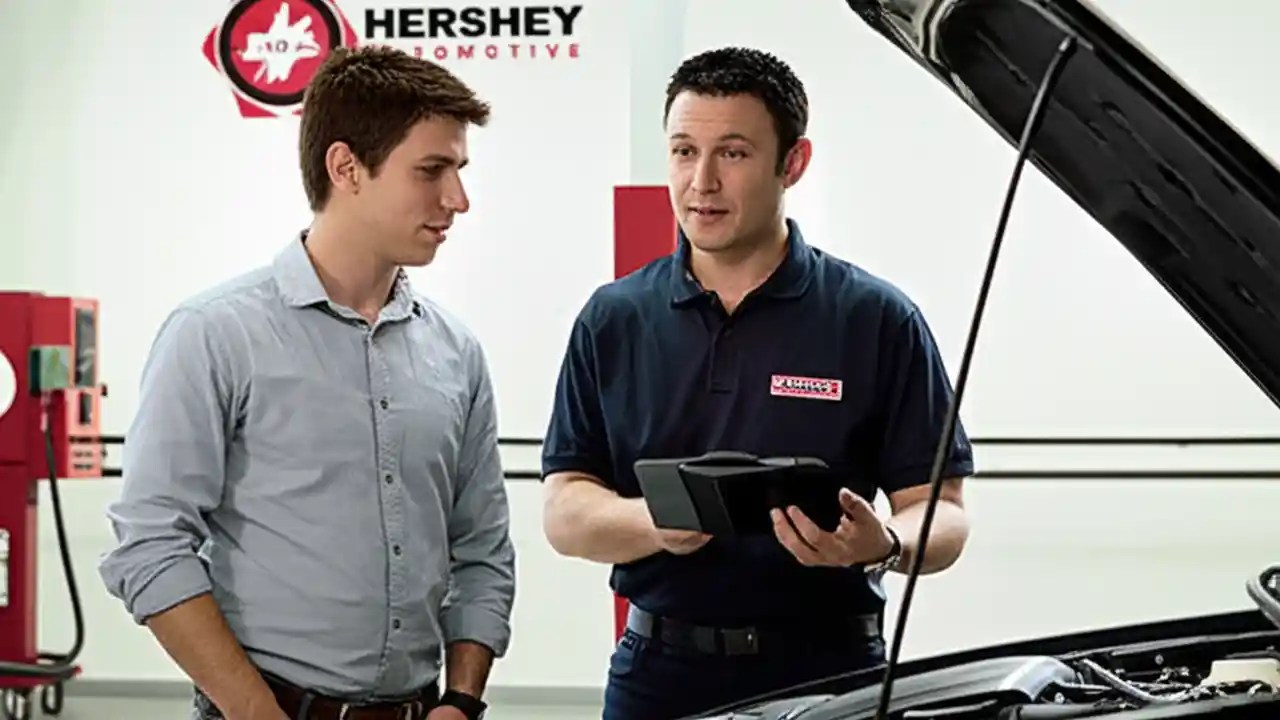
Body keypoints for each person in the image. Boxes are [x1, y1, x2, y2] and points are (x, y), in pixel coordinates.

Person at [540, 46, 975, 719]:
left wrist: (883, 544)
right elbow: (565, 510)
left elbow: (943, 512)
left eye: (733, 153)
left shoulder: (875, 318)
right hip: (657, 676)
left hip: (831, 673)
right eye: (684, 151)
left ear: (792, 163)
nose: (701, 182)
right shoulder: (613, 318)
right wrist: (655, 522)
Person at [98, 45, 515, 720]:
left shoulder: (456, 351)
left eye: (459, 171)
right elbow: (150, 545)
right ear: (346, 167)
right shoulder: (214, 333)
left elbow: (483, 548)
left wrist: (462, 700)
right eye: (432, 170)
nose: (457, 200)